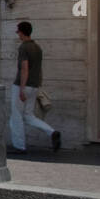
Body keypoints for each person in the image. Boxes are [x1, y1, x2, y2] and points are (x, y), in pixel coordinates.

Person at [9, 21, 59, 153]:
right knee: (29, 116)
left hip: (22, 85)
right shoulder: (37, 48)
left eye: (18, 31)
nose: (17, 34)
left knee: (16, 116)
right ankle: (52, 132)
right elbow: (38, 69)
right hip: (35, 85)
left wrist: (21, 88)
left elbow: (24, 68)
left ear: (22, 32)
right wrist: (37, 85)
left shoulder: (24, 48)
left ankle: (19, 146)